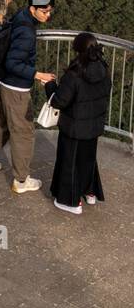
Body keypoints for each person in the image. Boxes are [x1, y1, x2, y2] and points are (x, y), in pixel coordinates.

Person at [0, 0, 55, 192]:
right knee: (24, 131)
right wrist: (38, 75)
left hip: (5, 83)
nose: (48, 15)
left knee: (1, 124)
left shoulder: (21, 16)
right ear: (33, 8)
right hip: (16, 88)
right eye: (44, 11)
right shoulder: (27, 32)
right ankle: (21, 180)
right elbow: (13, 63)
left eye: (50, 10)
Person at [44, 31, 112, 215]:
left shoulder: (74, 75)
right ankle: (89, 192)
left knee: (69, 162)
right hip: (94, 125)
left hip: (74, 126)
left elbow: (59, 101)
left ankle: (70, 202)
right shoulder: (104, 69)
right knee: (87, 160)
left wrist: (49, 85)